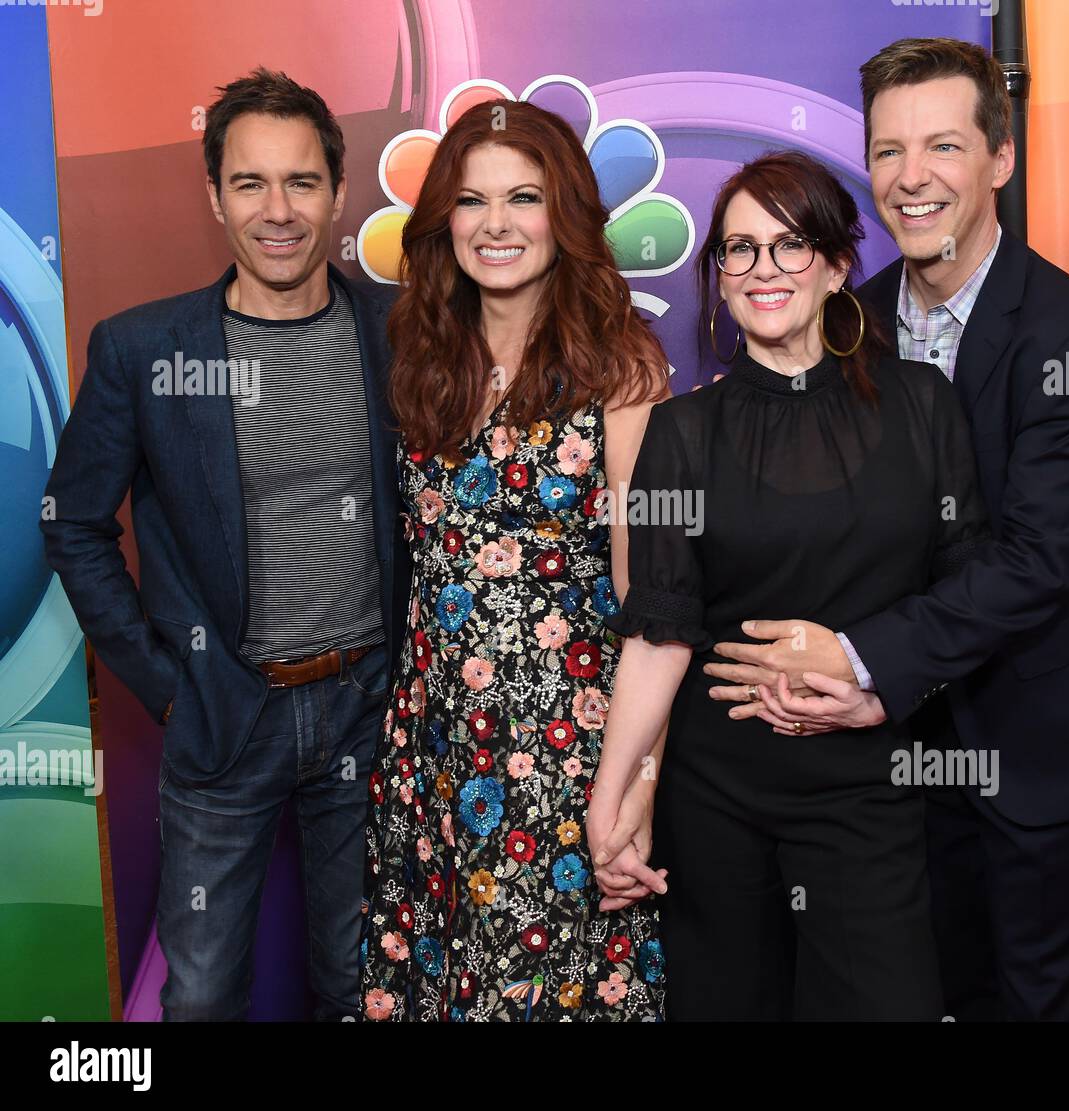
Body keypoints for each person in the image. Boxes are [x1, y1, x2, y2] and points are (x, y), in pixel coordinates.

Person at [706, 38, 1069, 1020]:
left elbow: (1033, 560)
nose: (910, 179)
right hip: (885, 764)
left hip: (1033, 744)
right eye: (887, 151)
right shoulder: (849, 321)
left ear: (999, 157)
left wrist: (858, 660)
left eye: (943, 147)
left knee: (1039, 1002)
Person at [41, 68, 408, 1020]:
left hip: (368, 707)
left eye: (300, 182)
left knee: (360, 982)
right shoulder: (142, 348)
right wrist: (167, 680)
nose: (277, 210)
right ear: (214, 196)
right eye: (250, 183)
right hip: (222, 716)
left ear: (337, 190)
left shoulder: (398, 331)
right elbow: (71, 524)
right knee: (201, 994)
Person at [587, 151, 988, 1021]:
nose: (764, 269)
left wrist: (876, 689)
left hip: (869, 792)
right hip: (717, 798)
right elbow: (658, 633)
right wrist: (611, 795)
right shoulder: (680, 432)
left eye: (790, 244)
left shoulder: (923, 408)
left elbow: (970, 596)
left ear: (840, 264)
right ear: (719, 276)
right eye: (740, 249)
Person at [358, 99, 670, 1022]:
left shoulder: (621, 369)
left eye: (524, 197)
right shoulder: (421, 357)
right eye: (472, 200)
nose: (496, 224)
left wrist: (639, 786)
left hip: (565, 756)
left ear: (564, 212)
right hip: (433, 748)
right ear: (443, 220)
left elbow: (651, 599)